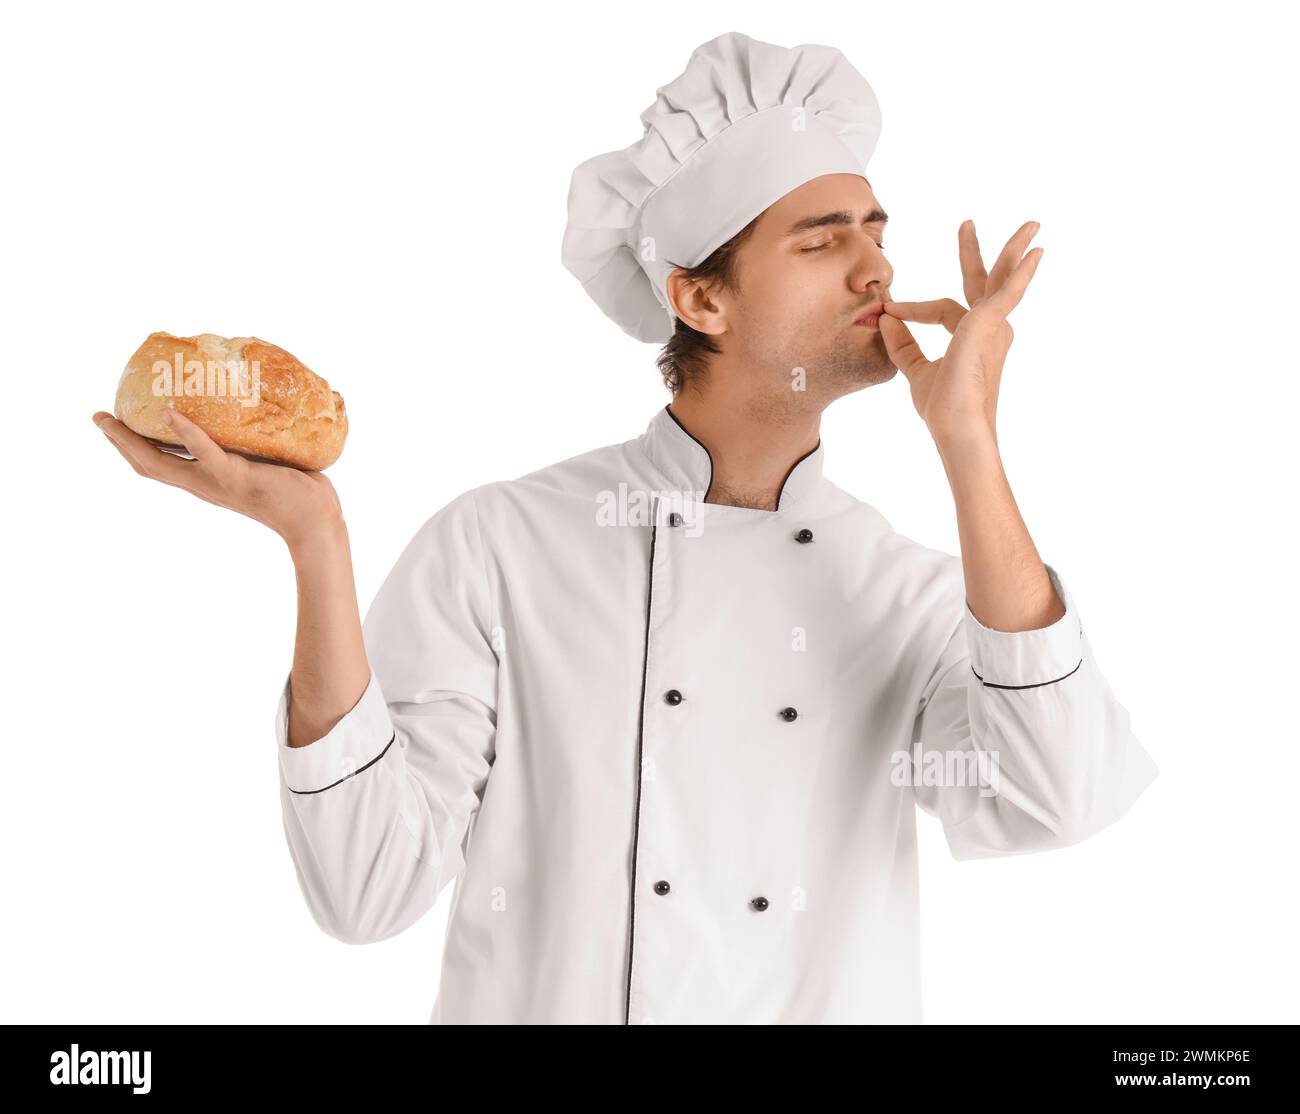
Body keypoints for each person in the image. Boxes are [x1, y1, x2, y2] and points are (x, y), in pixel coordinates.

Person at [91, 31, 1158, 1024]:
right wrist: (316, 541)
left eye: (876, 233)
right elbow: (365, 888)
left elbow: (1057, 797)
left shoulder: (908, 590)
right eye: (823, 240)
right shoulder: (500, 547)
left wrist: (967, 442)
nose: (877, 270)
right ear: (700, 300)